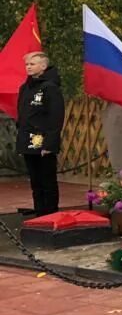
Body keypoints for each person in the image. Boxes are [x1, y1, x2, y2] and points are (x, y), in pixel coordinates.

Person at [16, 52, 65, 216]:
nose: (29, 67)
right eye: (27, 64)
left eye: (33, 64)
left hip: (42, 140)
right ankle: (40, 214)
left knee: (47, 180)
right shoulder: (25, 88)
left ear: (43, 66)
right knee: (35, 181)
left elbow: (56, 117)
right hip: (27, 139)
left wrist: (49, 144)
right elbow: (22, 113)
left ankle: (51, 214)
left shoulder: (50, 88)